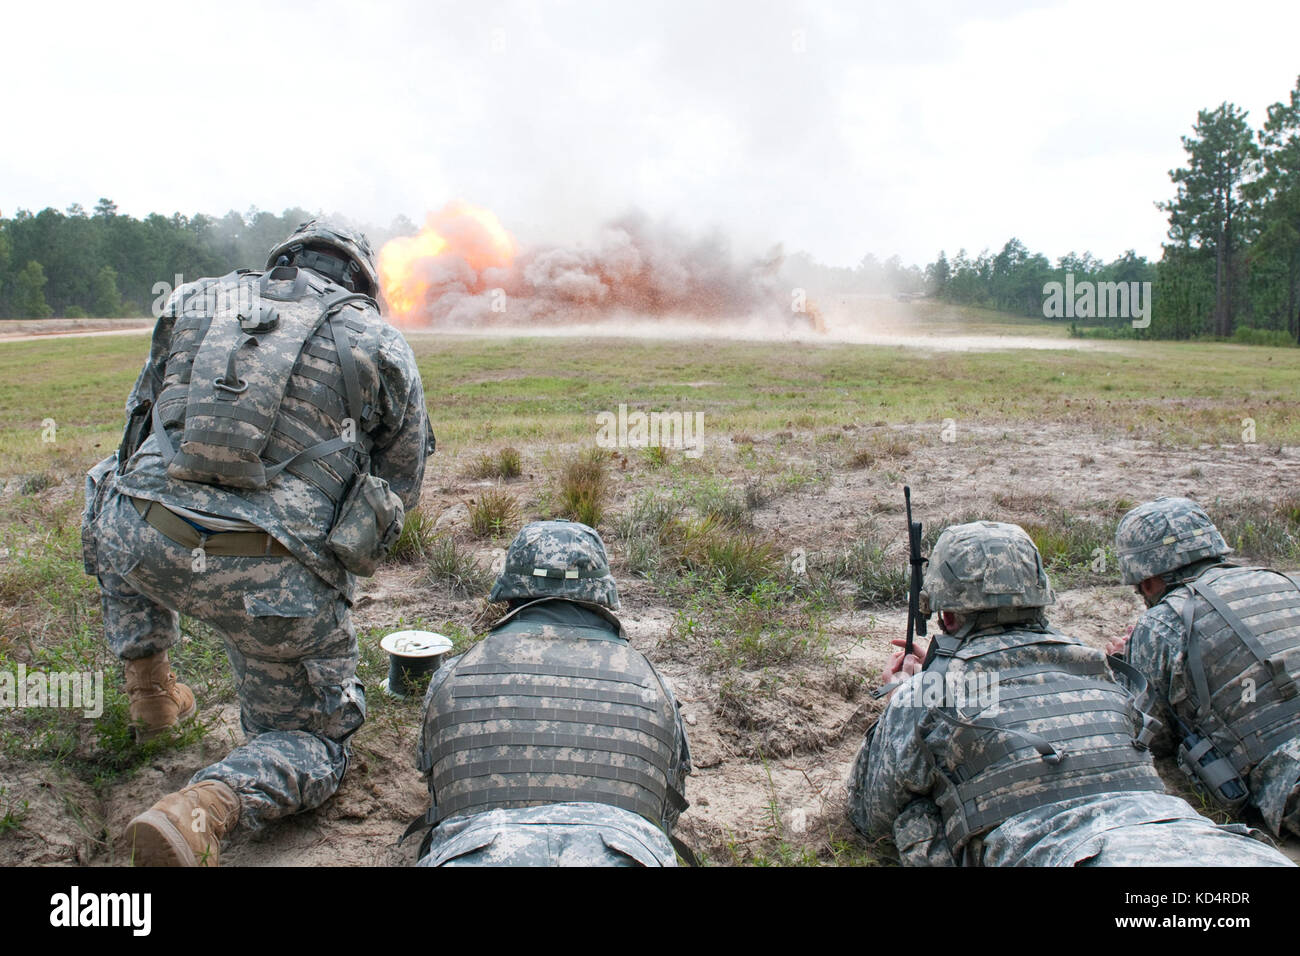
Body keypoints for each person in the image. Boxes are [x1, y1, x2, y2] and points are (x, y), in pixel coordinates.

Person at [81, 218, 435, 866]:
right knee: (318, 743)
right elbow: (401, 483)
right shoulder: (378, 339)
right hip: (269, 584)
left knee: (107, 481)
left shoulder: (193, 300)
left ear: (284, 261)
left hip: (142, 540)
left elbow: (136, 429)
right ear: (360, 280)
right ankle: (202, 808)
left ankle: (150, 690)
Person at [848, 519, 1292, 866]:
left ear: (945, 618)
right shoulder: (1107, 673)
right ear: (1040, 597)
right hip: (1224, 852)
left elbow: (870, 814)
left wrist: (908, 697)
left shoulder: (930, 695)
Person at [410, 519, 692, 866]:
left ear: (512, 588)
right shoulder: (653, 685)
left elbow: (438, 792)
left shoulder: (452, 676)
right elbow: (665, 810)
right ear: (600, 590)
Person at [1109, 496, 1300, 839]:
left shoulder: (1161, 624)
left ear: (1148, 580)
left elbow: (1152, 738)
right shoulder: (1285, 582)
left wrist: (1126, 669)